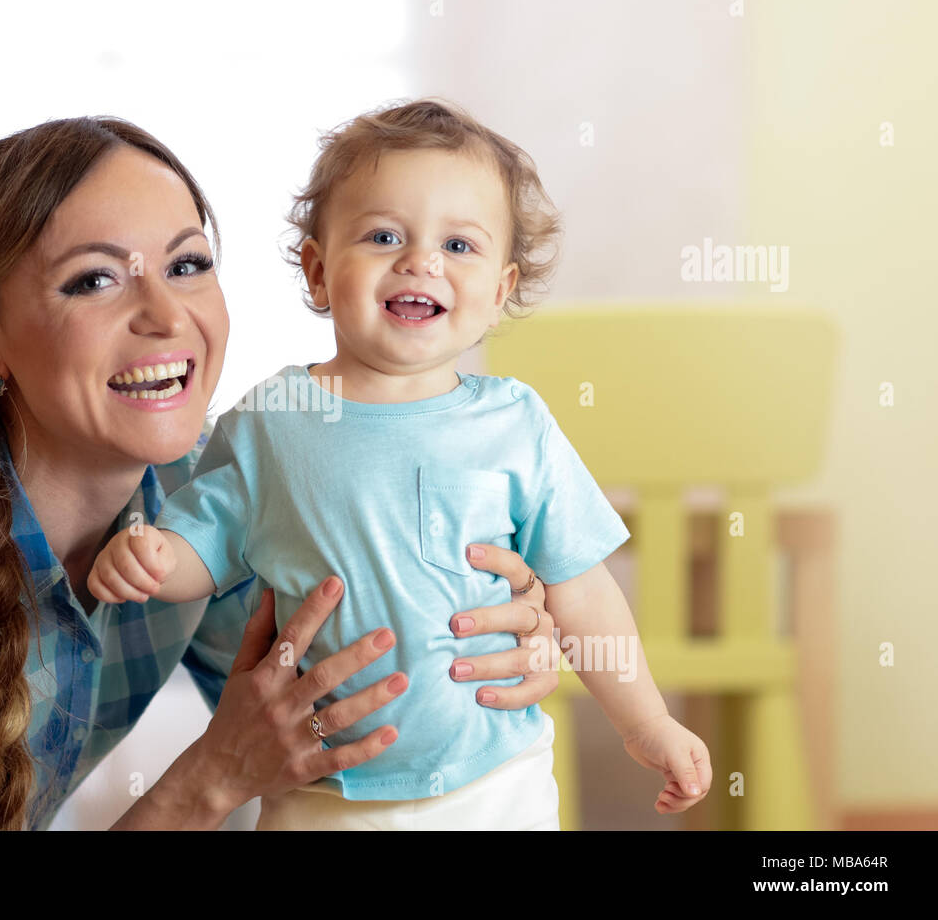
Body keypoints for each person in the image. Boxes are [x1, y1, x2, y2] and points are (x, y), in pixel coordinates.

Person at [0, 114, 560, 831]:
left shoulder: (209, 498)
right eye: (94, 280)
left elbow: (324, 677)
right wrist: (213, 778)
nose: (166, 315)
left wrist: (489, 640)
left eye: (188, 264)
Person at [90, 99, 713, 830]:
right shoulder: (274, 420)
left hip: (496, 781)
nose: (420, 261)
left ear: (500, 293)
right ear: (319, 273)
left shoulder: (517, 424)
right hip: (323, 791)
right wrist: (153, 559)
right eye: (384, 236)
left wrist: (646, 724)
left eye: (459, 246)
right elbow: (206, 544)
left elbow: (581, 590)